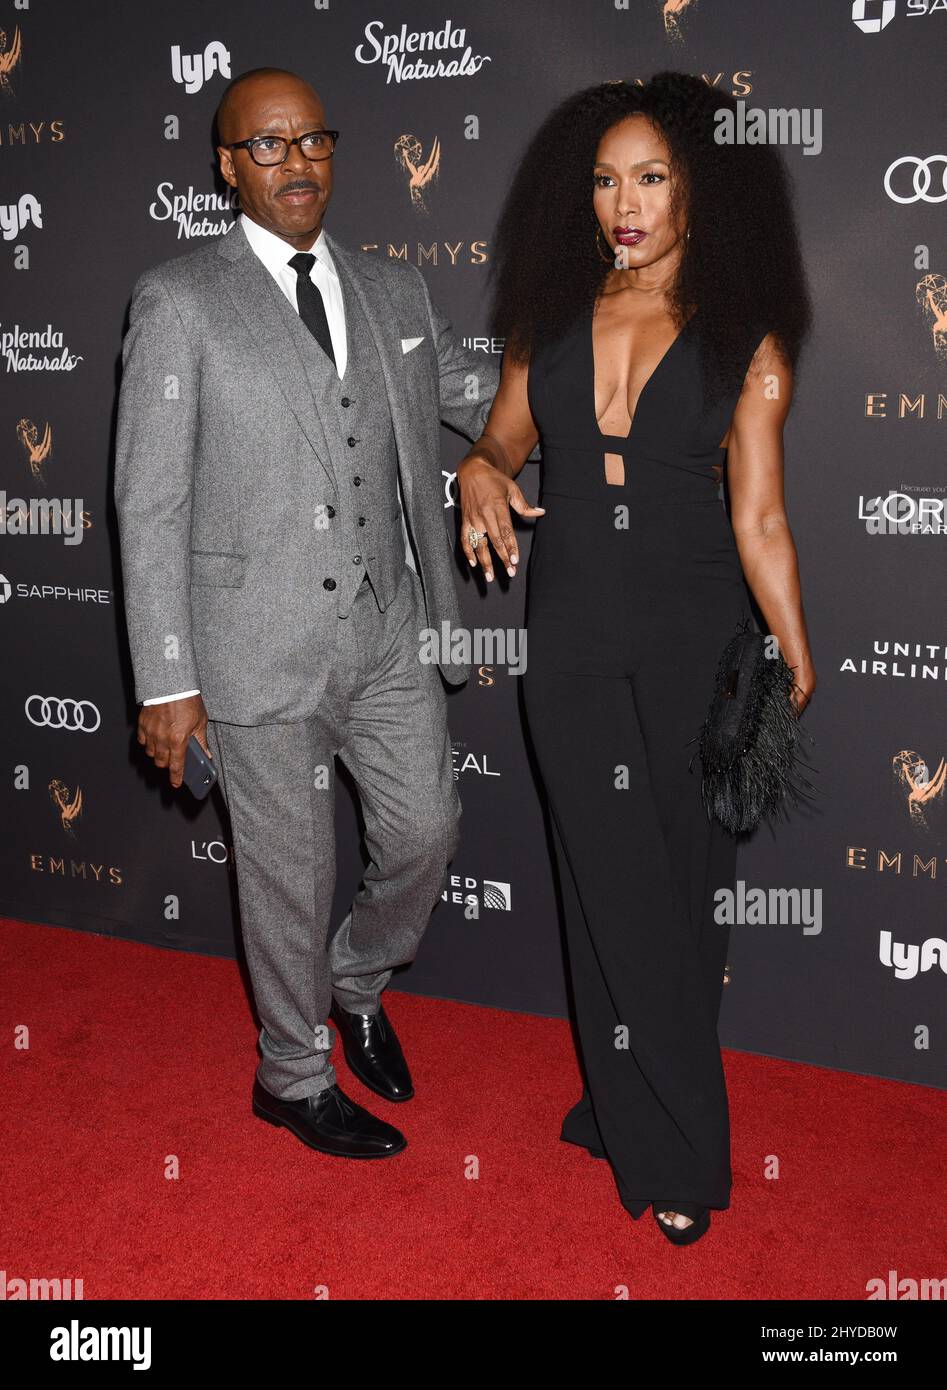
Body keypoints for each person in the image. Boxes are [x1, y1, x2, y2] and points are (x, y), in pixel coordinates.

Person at [114, 67, 502, 1161]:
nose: (296, 163)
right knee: (288, 879)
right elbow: (149, 503)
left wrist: (618, 378)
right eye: (267, 146)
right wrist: (167, 680)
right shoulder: (178, 300)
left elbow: (482, 399)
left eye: (313, 140)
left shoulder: (392, 289)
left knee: (425, 830)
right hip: (250, 650)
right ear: (227, 165)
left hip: (387, 632)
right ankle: (289, 1075)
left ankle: (357, 979)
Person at [456, 72, 816, 1244]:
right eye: (606, 179)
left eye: (650, 178)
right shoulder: (550, 310)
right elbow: (505, 436)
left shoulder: (746, 337)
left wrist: (792, 641)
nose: (624, 203)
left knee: (678, 882)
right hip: (566, 626)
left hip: (692, 628)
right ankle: (676, 1149)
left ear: (700, 188)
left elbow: (758, 515)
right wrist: (477, 474)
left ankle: (623, 1103)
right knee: (599, 875)